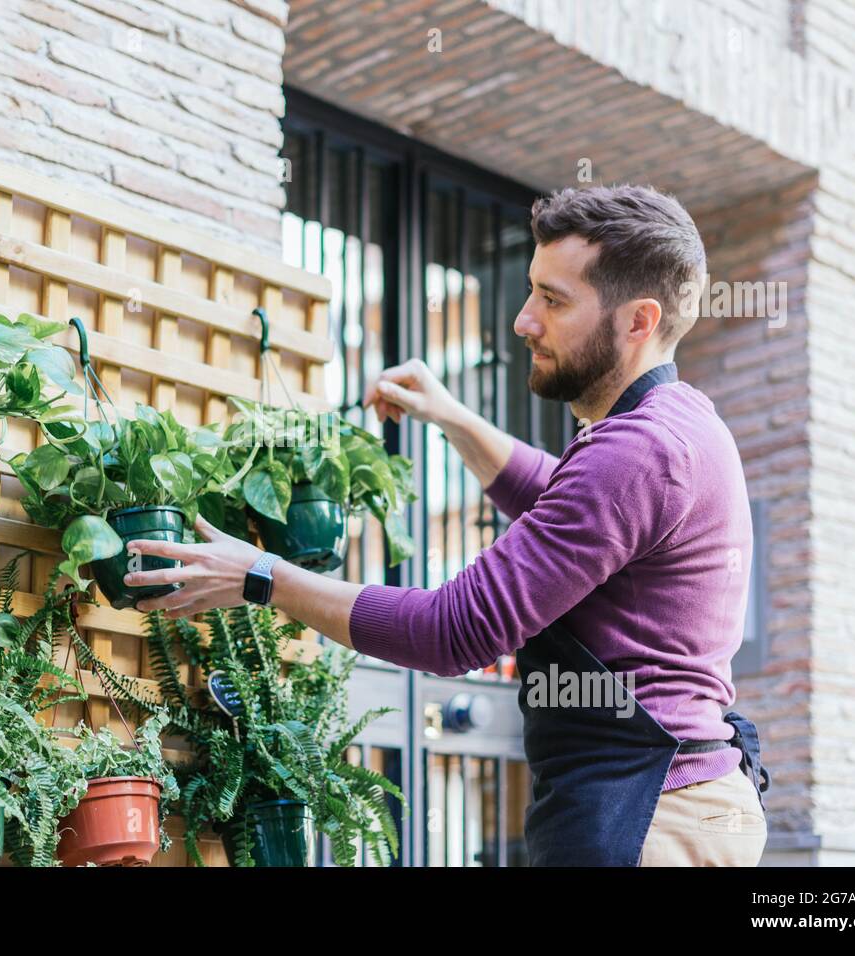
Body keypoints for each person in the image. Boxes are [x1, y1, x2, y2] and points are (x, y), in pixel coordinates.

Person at [124, 183, 770, 867]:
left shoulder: (637, 452)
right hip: (684, 800)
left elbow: (453, 630)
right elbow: (566, 503)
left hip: (649, 817)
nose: (524, 320)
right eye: (532, 291)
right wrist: (454, 418)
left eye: (554, 300)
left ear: (639, 321)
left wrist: (260, 578)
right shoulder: (681, 424)